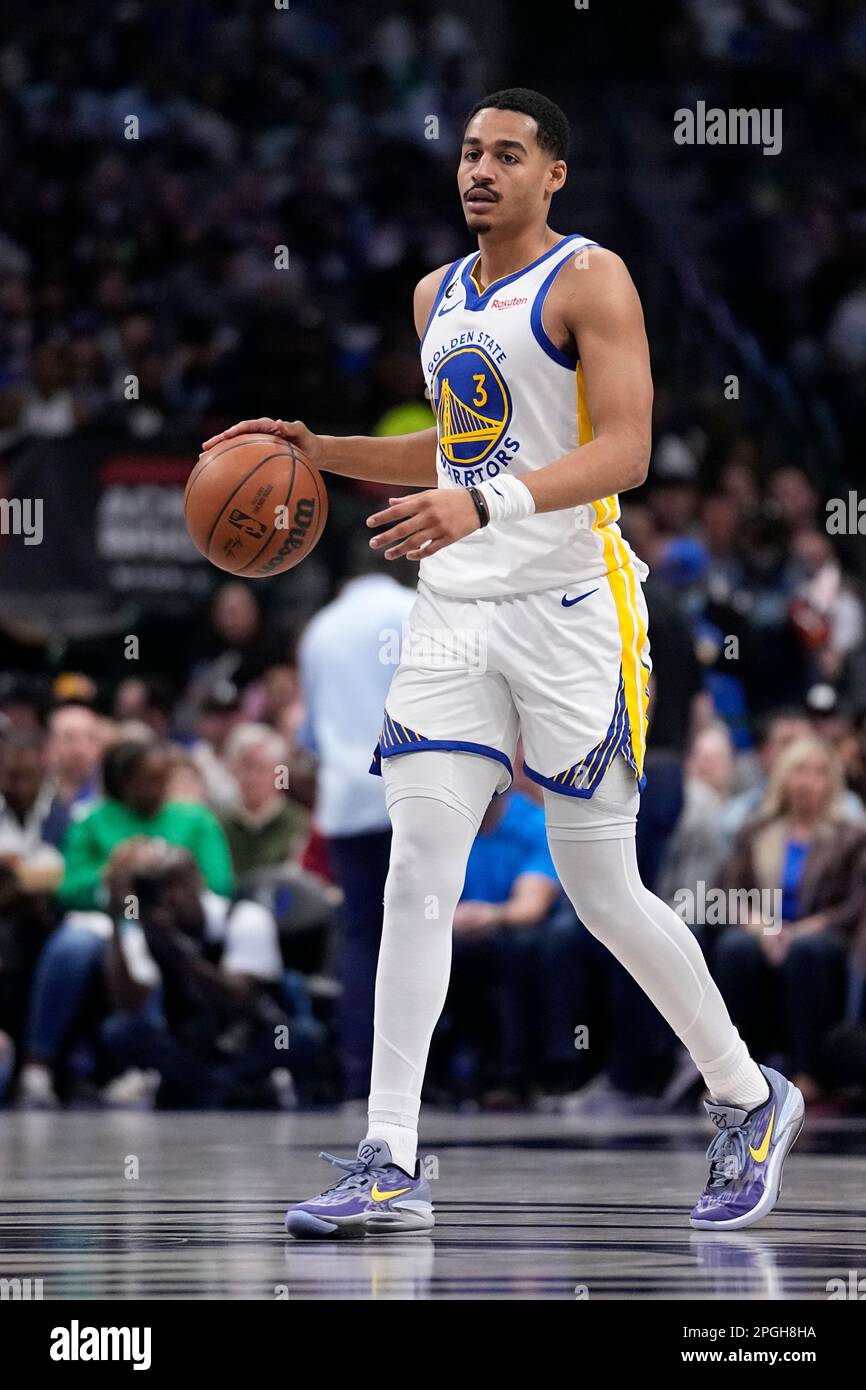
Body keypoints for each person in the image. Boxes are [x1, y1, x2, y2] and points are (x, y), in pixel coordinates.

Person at [203, 87, 803, 1238]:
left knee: (599, 891)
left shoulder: (592, 278)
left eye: (506, 155)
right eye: (470, 153)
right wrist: (313, 452)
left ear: (552, 175)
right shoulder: (434, 293)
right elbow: (459, 438)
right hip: (455, 608)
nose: (479, 170)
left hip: (572, 604)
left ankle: (743, 1092)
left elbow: (619, 448)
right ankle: (389, 1155)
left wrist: (482, 502)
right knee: (415, 870)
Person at [295, 540, 416, 1102]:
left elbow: (312, 735)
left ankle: (356, 1072)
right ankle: (417, 1079)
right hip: (409, 791)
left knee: (361, 935)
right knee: (418, 935)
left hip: (345, 802)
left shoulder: (319, 629)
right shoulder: (411, 609)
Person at [714, 737, 866, 1103]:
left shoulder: (850, 837)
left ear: (831, 782)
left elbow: (856, 903)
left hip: (822, 936)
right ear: (784, 777)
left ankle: (808, 1072)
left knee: (806, 953)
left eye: (818, 773)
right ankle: (738, 1071)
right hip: (765, 931)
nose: (807, 781)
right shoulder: (757, 830)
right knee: (735, 949)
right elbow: (726, 891)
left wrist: (807, 928)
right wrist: (759, 926)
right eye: (799, 770)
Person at [58, 738, 234, 910]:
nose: (157, 788)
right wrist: (111, 871)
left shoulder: (197, 820)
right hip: (118, 913)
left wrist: (176, 870)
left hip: (183, 914)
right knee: (83, 938)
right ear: (125, 781)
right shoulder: (93, 822)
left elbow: (220, 884)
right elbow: (67, 891)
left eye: (162, 779)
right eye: (147, 780)